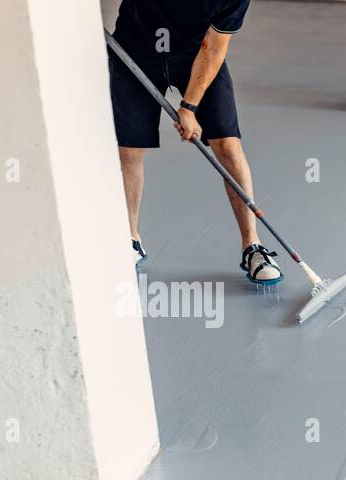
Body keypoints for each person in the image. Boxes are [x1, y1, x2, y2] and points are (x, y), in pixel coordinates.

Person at [109, 0, 281, 285]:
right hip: (136, 52)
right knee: (129, 149)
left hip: (196, 54)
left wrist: (189, 106)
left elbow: (214, 47)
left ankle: (252, 246)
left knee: (227, 145)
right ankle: (130, 239)